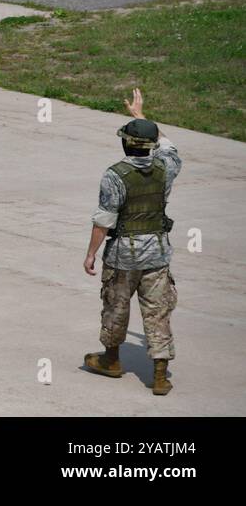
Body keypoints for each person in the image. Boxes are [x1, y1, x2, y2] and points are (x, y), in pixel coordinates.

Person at [83, 88, 182, 395]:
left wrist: (90, 254)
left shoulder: (115, 175)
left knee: (116, 305)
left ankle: (112, 360)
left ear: (126, 142)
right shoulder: (166, 168)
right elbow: (168, 145)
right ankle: (160, 375)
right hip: (157, 254)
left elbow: (104, 221)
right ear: (150, 145)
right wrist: (142, 117)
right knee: (158, 311)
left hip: (124, 255)